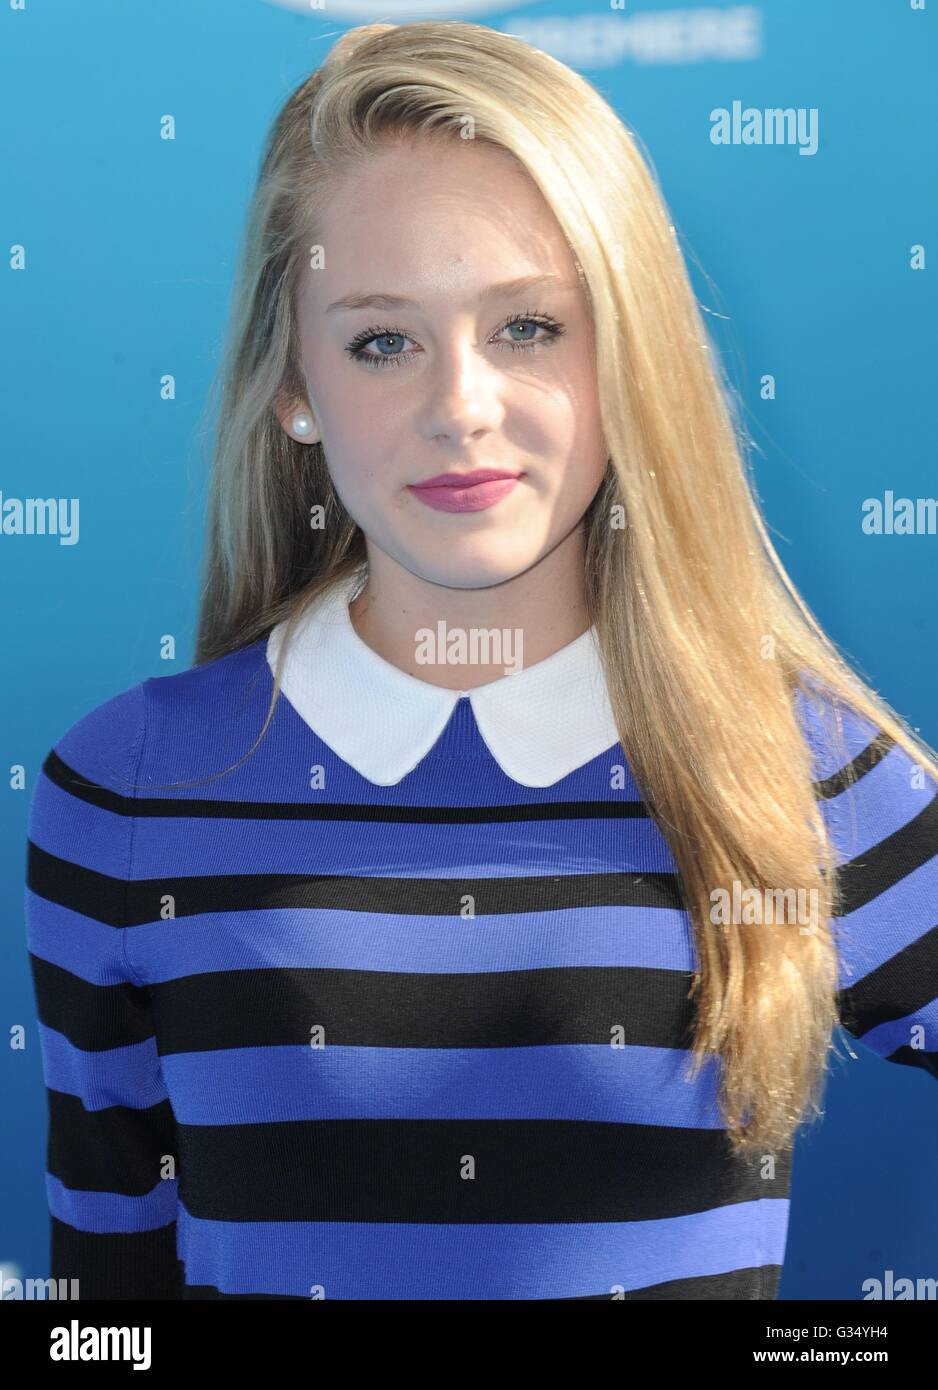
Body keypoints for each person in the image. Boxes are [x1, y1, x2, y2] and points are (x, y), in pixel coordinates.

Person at [24, 20, 938, 1300]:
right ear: (293, 386)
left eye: (527, 326)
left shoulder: (804, 768)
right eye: (381, 341)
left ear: (629, 352)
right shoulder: (124, 789)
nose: (460, 406)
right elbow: (101, 1303)